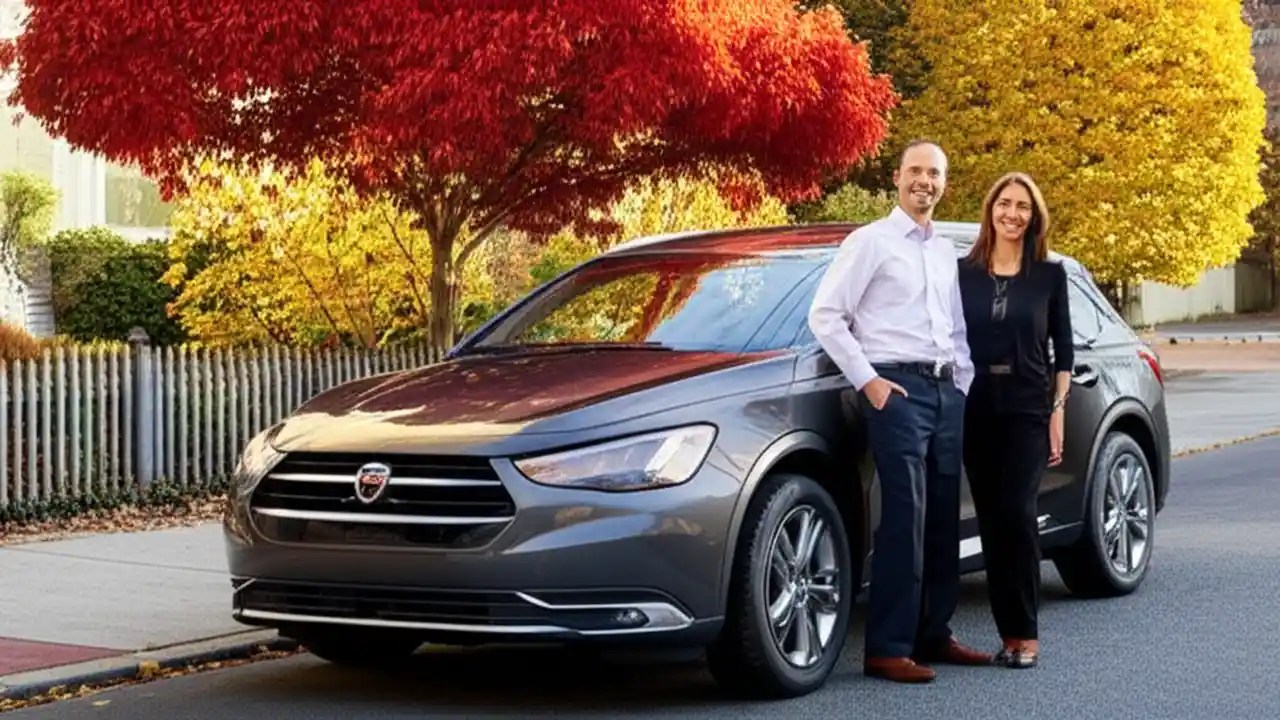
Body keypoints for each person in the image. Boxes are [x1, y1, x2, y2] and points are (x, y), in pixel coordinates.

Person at [808, 139, 990, 684]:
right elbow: (827, 316)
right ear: (896, 177)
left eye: (934, 173)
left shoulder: (943, 251)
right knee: (905, 519)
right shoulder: (870, 242)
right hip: (897, 392)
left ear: (944, 183)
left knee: (942, 518)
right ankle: (887, 647)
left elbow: (954, 326)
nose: (925, 181)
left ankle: (933, 632)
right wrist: (871, 383)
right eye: (916, 171)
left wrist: (962, 380)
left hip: (944, 393)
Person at [956, 171, 1073, 669]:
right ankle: (1006, 636)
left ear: (1033, 216)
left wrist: (1057, 410)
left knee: (1018, 516)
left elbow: (1062, 351)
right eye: (1004, 203)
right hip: (975, 406)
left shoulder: (1050, 275)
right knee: (991, 520)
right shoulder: (962, 273)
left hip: (1027, 407)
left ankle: (1025, 634)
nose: (1012, 213)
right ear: (991, 210)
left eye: (1022, 206)